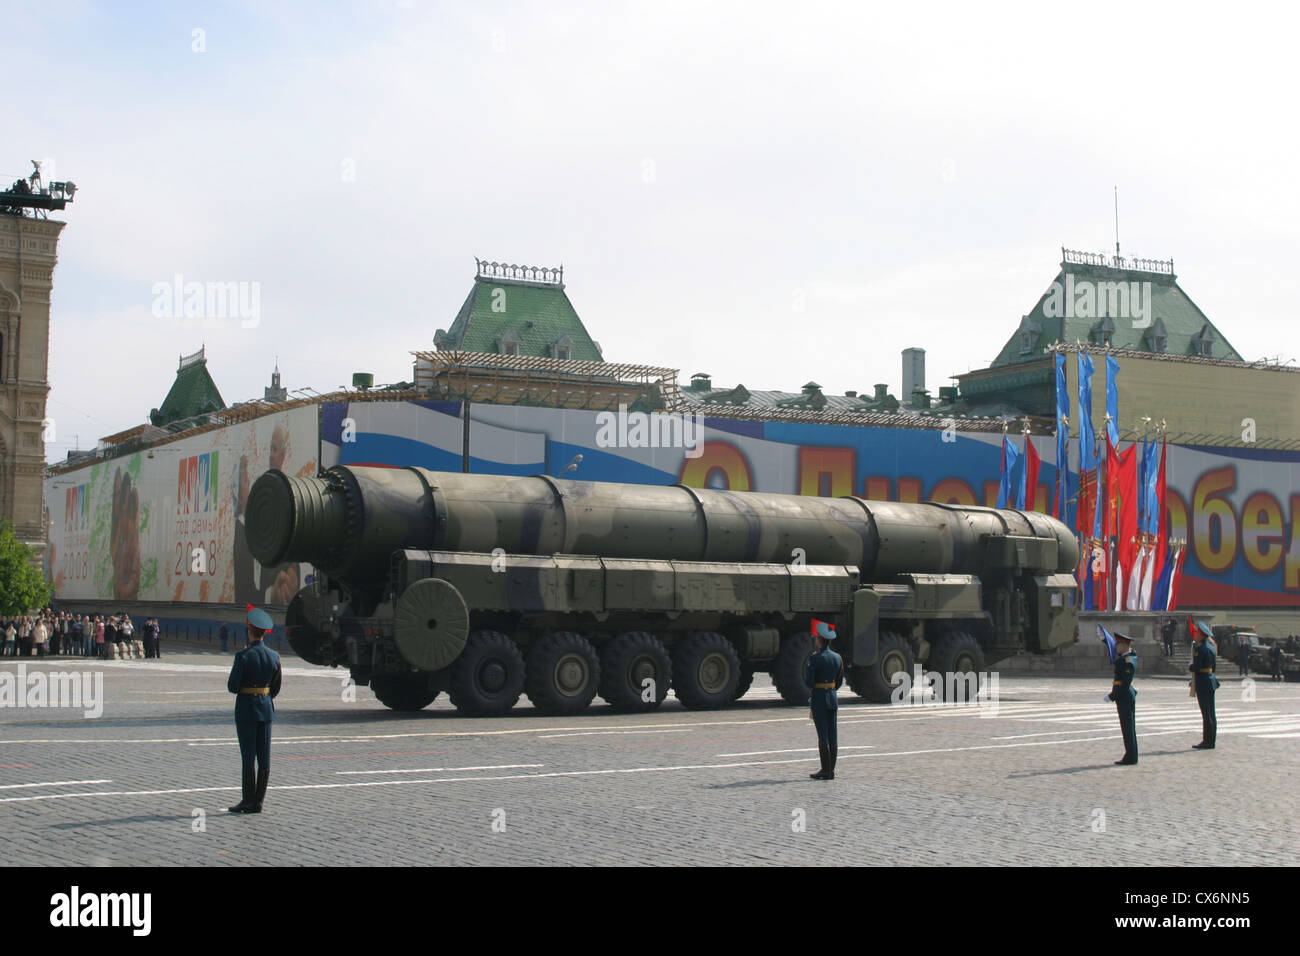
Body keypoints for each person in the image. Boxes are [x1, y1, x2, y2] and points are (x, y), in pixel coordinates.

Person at [227, 605, 282, 814]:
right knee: (264, 758)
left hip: (246, 711)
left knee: (248, 757)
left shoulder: (243, 656)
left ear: (250, 630)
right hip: (266, 710)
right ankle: (259, 801)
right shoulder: (275, 656)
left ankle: (247, 800)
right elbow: (275, 688)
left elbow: (232, 687)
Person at [802, 618, 843, 781]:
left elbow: (809, 682)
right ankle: (831, 770)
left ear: (820, 640)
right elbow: (839, 681)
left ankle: (825, 770)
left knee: (823, 735)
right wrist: (831, 690)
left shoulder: (815, 658)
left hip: (819, 698)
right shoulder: (837, 658)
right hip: (832, 698)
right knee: (833, 735)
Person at [1105, 632, 1138, 765]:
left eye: (1118, 644)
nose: (1116, 647)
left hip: (1124, 695)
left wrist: (1112, 696)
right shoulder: (1126, 657)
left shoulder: (1128, 660)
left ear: (1124, 645)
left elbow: (1124, 683)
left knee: (1128, 728)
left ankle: (1131, 756)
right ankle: (1130, 755)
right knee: (1127, 727)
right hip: (1124, 695)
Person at [1190, 619, 1220, 750]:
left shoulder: (1200, 649)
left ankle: (1207, 741)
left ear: (1201, 635)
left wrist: (1191, 666)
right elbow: (1213, 667)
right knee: (1211, 713)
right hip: (1210, 680)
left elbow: (1196, 667)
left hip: (1203, 682)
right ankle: (1211, 740)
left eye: (1197, 633)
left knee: (1206, 714)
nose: (1195, 635)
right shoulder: (1211, 648)